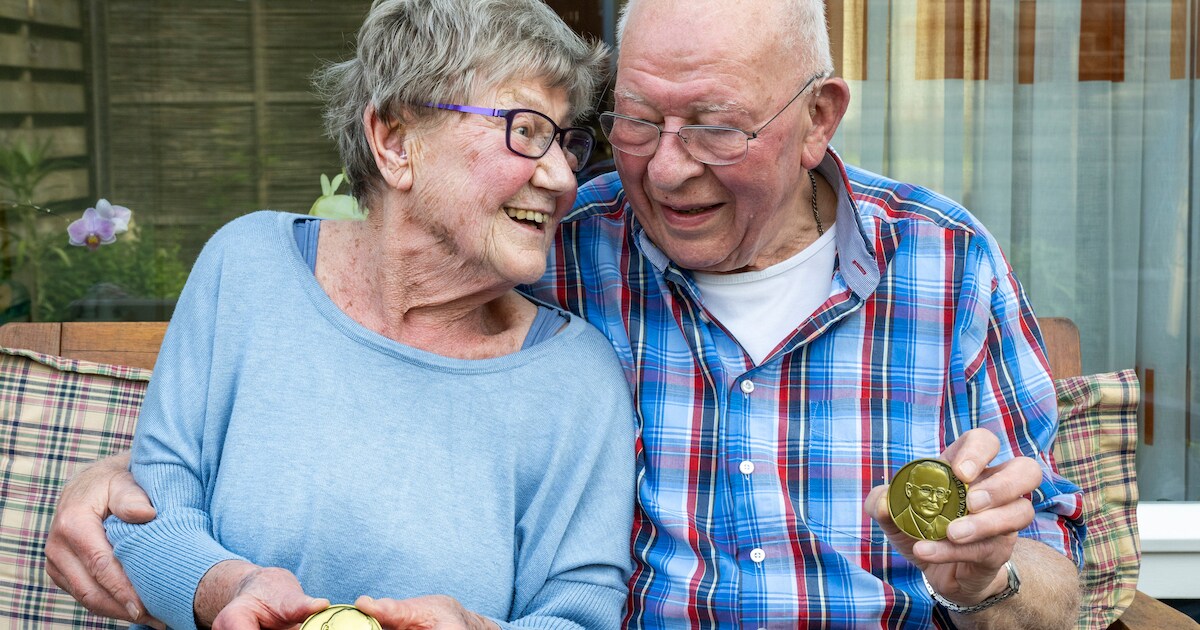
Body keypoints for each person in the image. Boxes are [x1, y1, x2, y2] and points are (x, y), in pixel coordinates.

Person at [46, 0, 1086, 628]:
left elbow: (1057, 583)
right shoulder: (565, 244)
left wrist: (982, 576)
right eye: (634, 120)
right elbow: (383, 328)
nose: (663, 169)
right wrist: (134, 486)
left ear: (818, 119)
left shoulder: (946, 266)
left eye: (713, 125)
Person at [66, 1, 637, 629]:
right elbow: (150, 509)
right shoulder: (249, 267)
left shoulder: (573, 377)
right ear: (395, 142)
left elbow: (580, 610)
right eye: (525, 130)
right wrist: (228, 590)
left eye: (565, 141)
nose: (561, 177)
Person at [894, 462, 956, 541]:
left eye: (940, 492)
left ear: (946, 496)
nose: (933, 499)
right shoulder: (899, 524)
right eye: (926, 490)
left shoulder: (949, 527)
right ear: (909, 490)